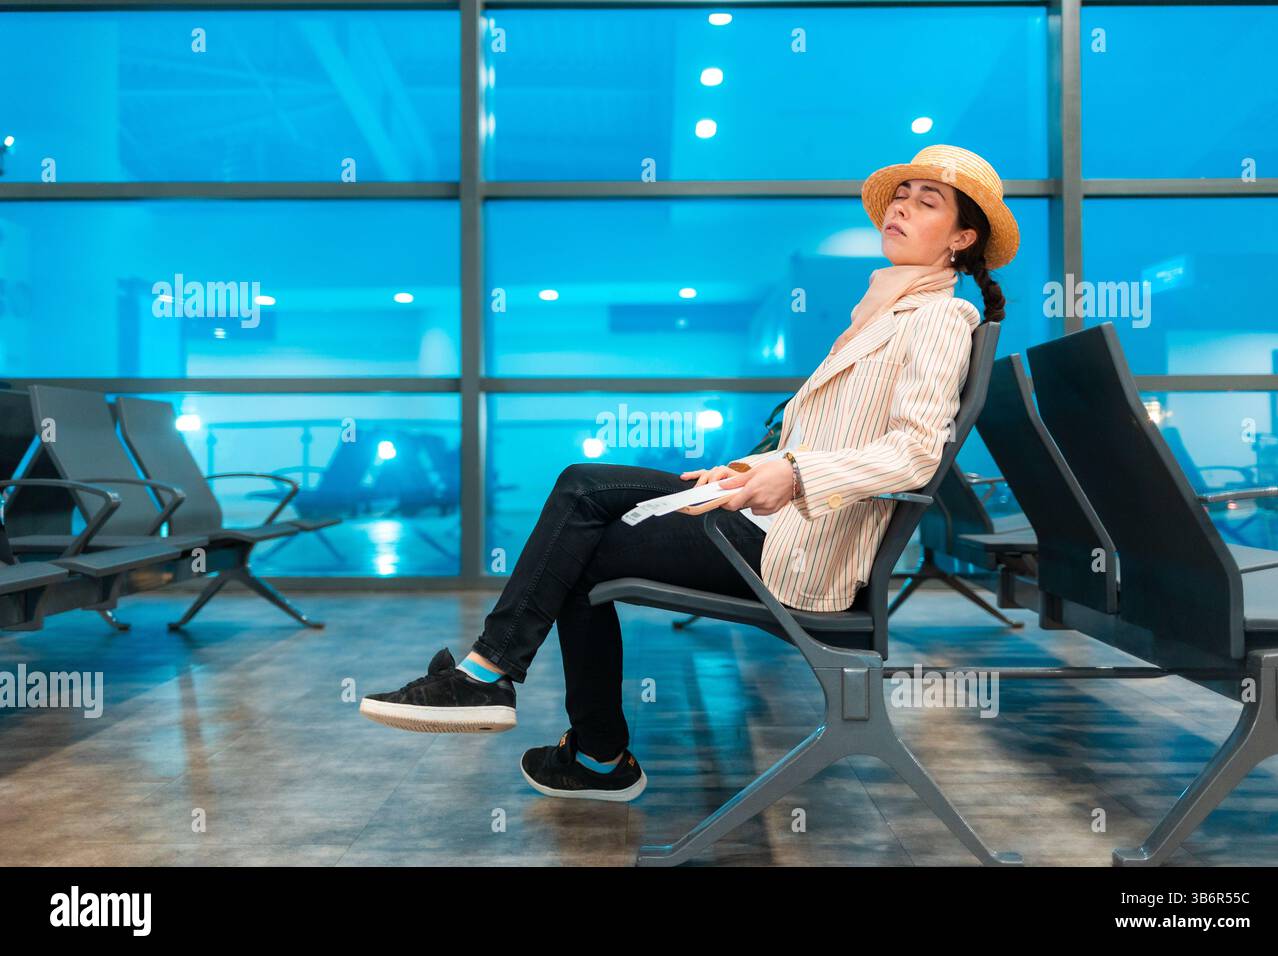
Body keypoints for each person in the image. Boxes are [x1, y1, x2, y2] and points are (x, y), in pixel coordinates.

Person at [359, 144, 1021, 802]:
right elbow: (832, 435)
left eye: (925, 202)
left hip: (798, 548)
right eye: (901, 196)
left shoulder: (939, 317)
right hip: (769, 514)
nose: (901, 208)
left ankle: (548, 719)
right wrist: (750, 466)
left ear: (963, 238)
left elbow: (915, 452)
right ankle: (536, 711)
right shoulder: (882, 311)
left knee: (578, 543)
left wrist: (792, 475)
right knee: (581, 488)